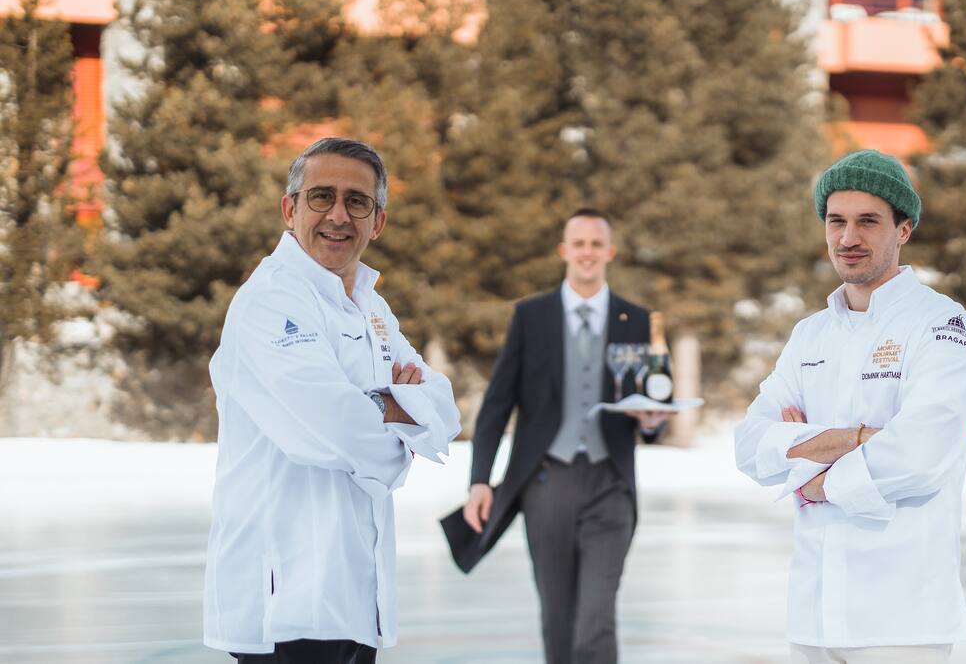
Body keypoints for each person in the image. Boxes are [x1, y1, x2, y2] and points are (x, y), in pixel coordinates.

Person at [203, 137, 461, 663]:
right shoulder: (270, 301)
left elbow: (444, 407)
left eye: (356, 201)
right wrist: (396, 415)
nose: (338, 215)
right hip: (284, 598)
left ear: (377, 222)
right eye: (321, 196)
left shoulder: (370, 307)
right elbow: (335, 429)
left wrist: (384, 409)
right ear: (290, 209)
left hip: (354, 593)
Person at [734, 149, 966, 664]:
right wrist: (854, 439)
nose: (848, 237)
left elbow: (921, 455)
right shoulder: (810, 334)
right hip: (813, 616)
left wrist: (813, 477)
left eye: (868, 221)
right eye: (837, 221)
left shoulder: (940, 324)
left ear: (903, 229)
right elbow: (750, 446)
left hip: (901, 621)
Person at [441, 208, 671, 664]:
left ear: (610, 252)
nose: (587, 253)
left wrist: (651, 422)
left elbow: (655, 404)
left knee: (596, 621)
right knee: (558, 619)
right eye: (579, 244)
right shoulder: (531, 316)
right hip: (546, 486)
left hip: (611, 487)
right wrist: (479, 480)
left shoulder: (637, 320)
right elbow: (497, 404)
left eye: (596, 244)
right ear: (565, 250)